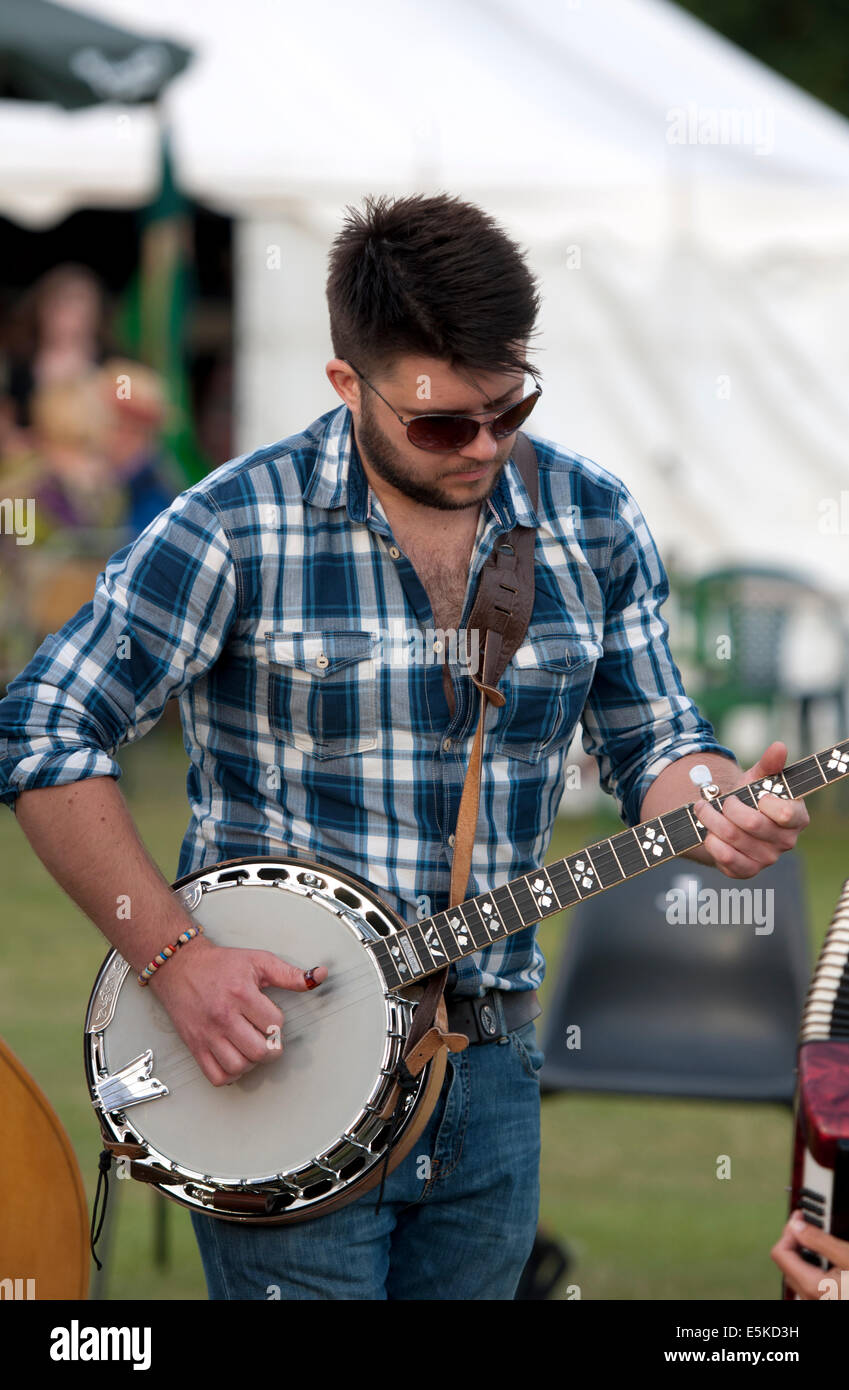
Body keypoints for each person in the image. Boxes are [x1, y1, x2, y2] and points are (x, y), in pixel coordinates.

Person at [0, 193, 809, 1301]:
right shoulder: (234, 522)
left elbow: (658, 740)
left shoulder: (594, 519)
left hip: (493, 1063)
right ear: (348, 384)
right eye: (442, 424)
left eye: (507, 408)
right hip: (277, 1063)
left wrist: (718, 799)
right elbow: (44, 726)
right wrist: (175, 958)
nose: (484, 446)